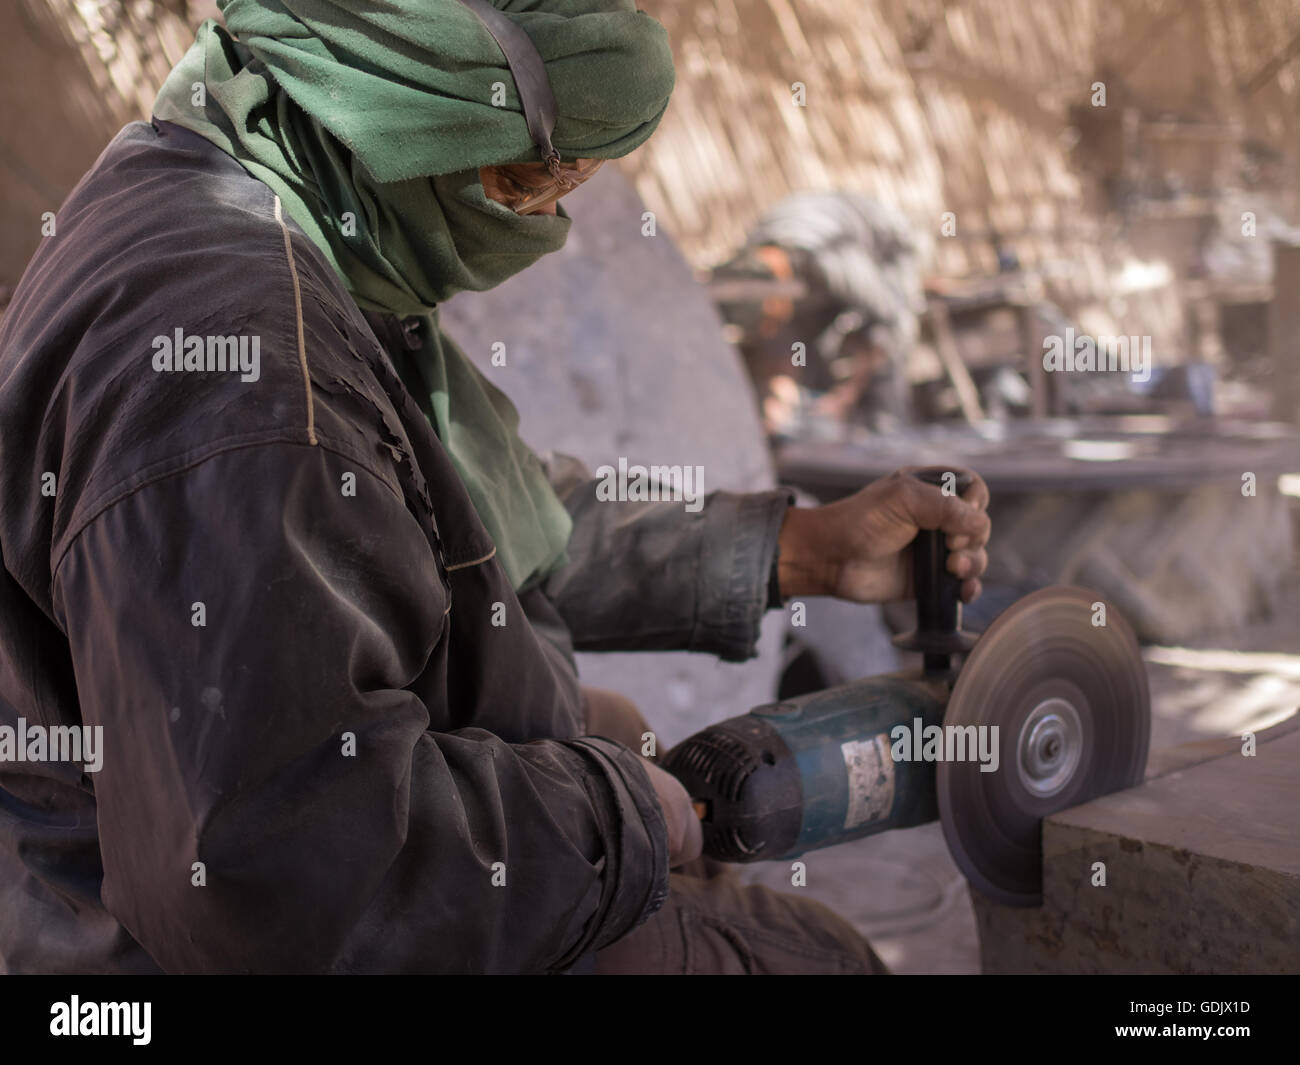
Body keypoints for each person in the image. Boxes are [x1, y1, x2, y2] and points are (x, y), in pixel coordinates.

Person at [0, 0, 989, 974]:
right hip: (183, 948)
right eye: (526, 180)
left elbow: (464, 515)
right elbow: (271, 874)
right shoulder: (244, 379)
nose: (548, 222)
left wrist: (805, 551)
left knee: (624, 735)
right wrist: (622, 817)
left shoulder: (248, 175)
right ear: (415, 111)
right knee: (815, 958)